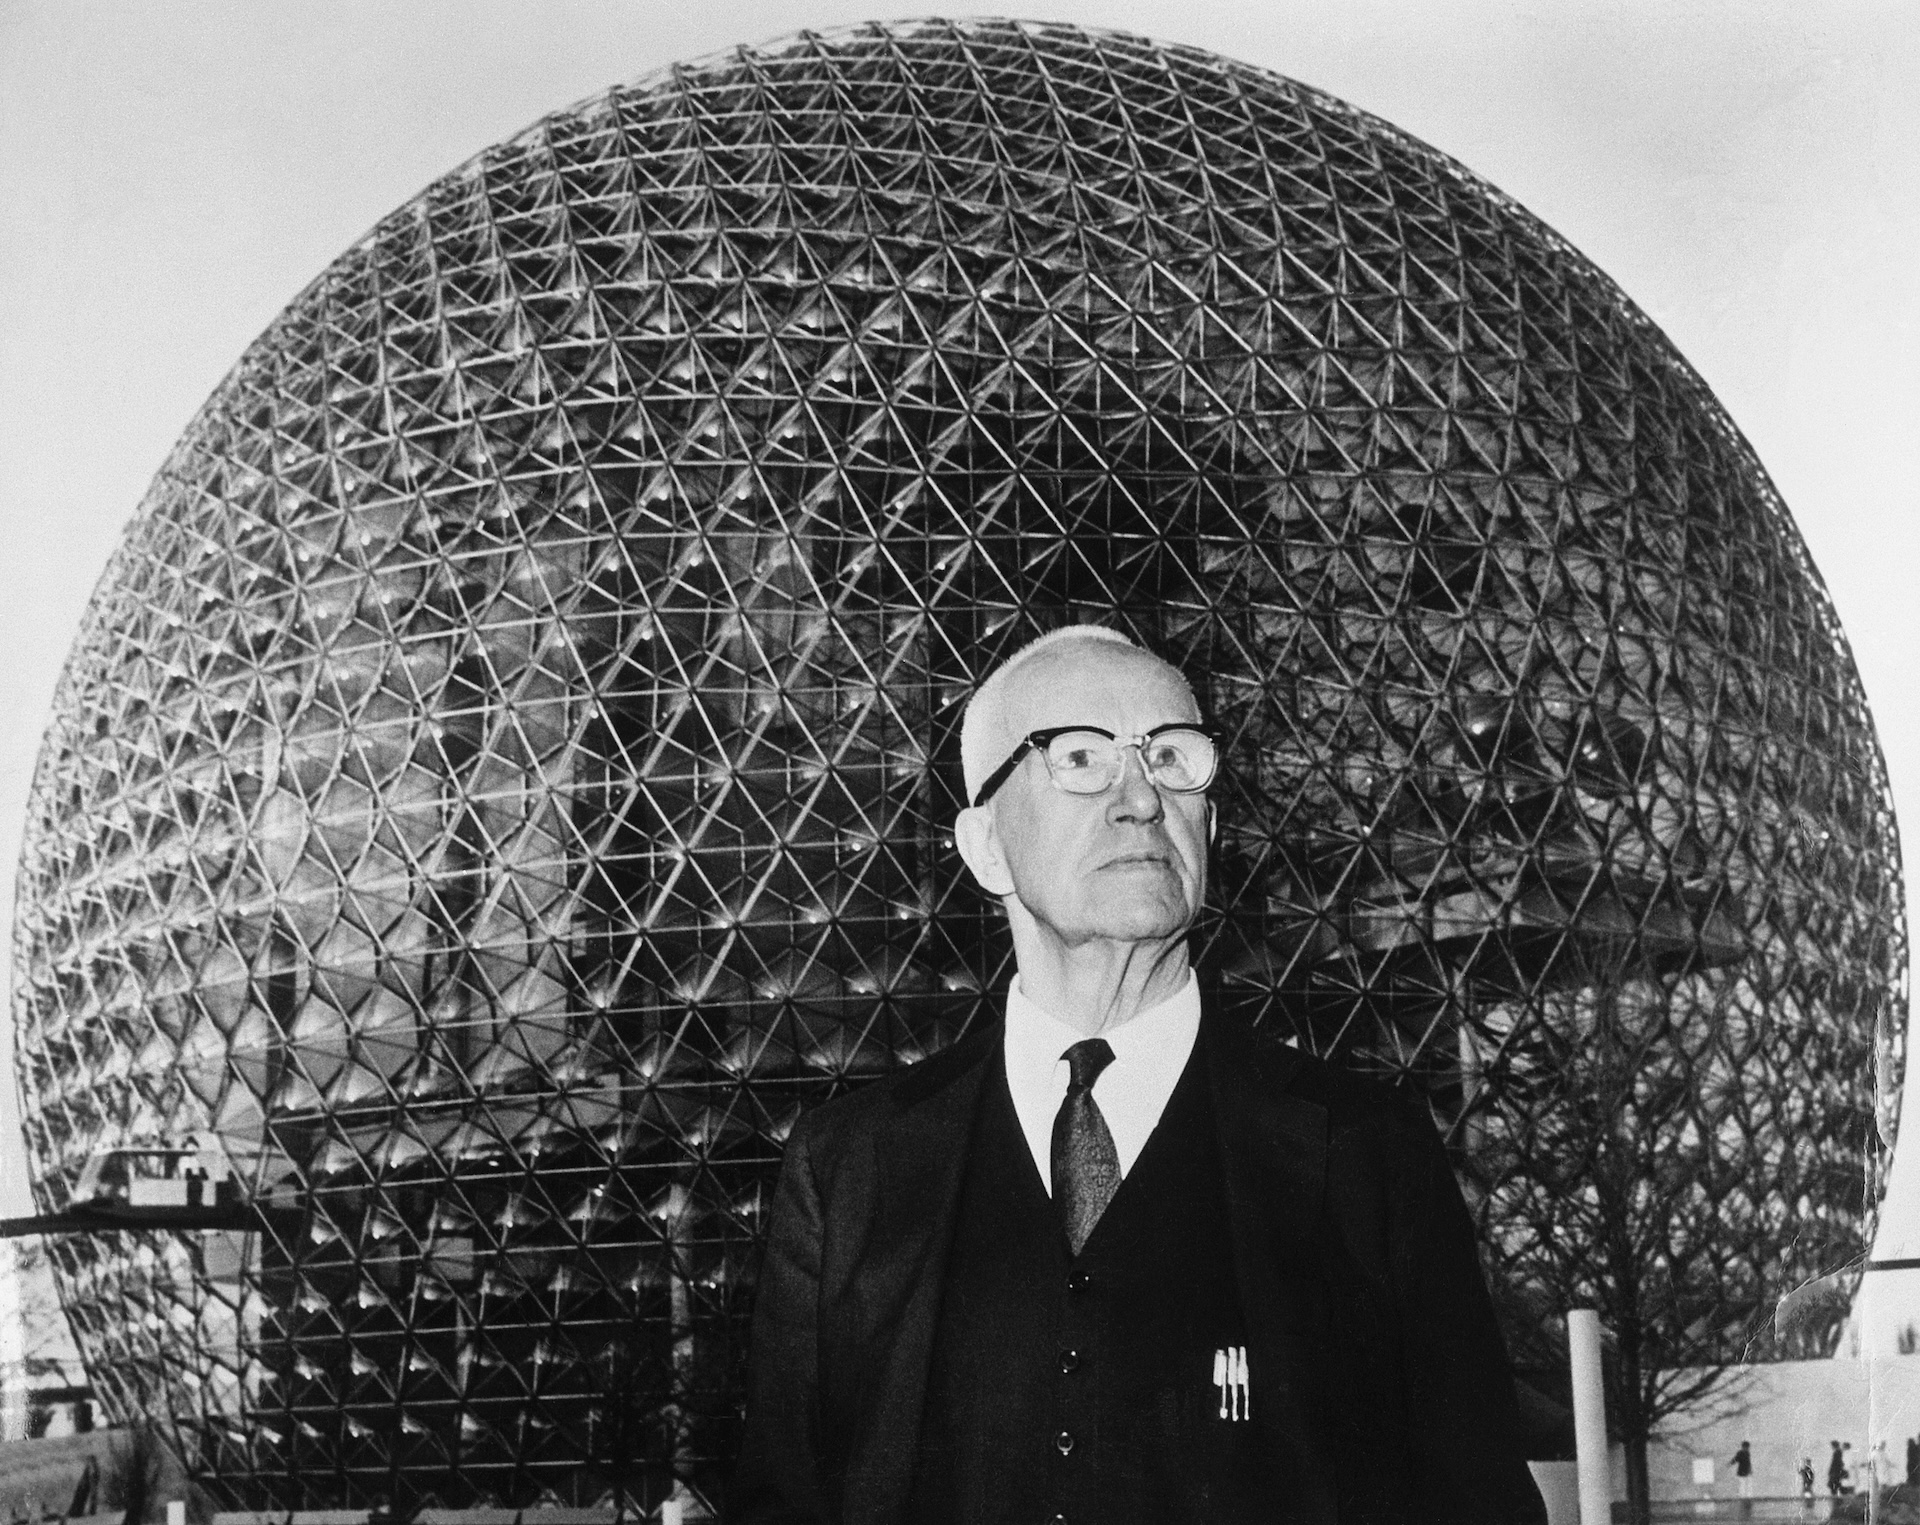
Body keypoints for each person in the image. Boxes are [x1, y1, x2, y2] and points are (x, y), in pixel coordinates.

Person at [729, 625, 1546, 1524]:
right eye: (1080, 757)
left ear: (1210, 824)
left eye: (1171, 757)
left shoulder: (1364, 1152)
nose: (1142, 798)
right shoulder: (849, 1169)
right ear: (985, 844)